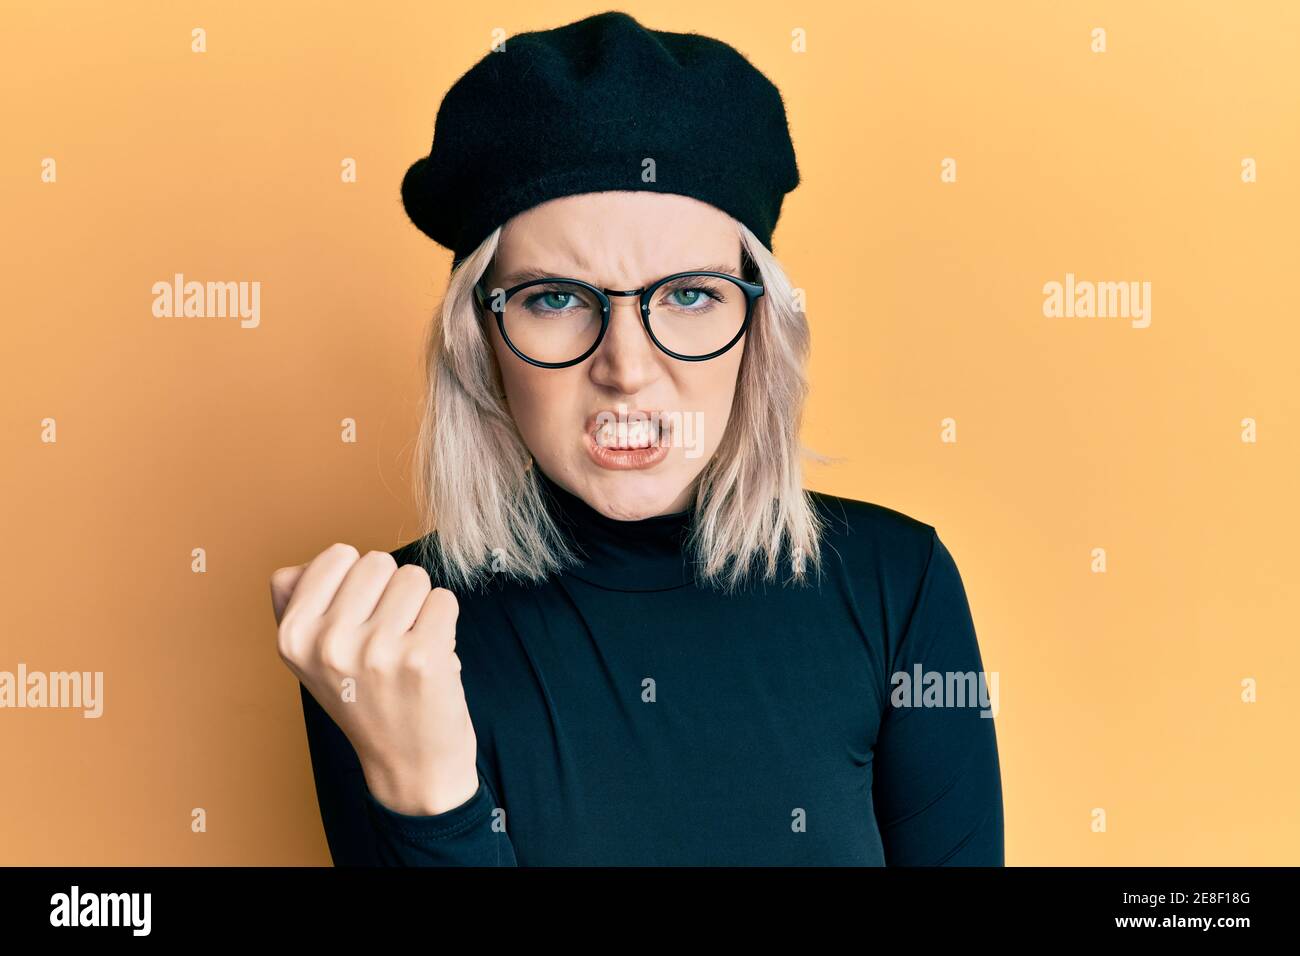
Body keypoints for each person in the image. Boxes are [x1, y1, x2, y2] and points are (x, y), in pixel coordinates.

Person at [270, 10, 1004, 866]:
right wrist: (429, 800)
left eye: (690, 295)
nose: (628, 367)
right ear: (482, 338)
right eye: (556, 297)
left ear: (759, 328)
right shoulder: (382, 644)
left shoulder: (897, 584)